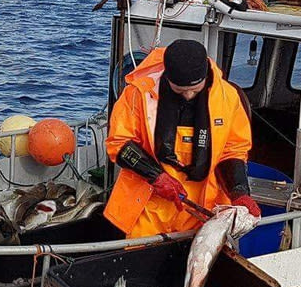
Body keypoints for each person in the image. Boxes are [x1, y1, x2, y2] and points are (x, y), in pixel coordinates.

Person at [103, 38, 261, 239]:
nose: (188, 95)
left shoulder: (228, 97)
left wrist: (240, 192)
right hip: (147, 206)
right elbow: (119, 143)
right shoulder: (138, 93)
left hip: (202, 210)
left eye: (195, 89)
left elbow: (234, 150)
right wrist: (156, 176)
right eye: (180, 89)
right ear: (167, 77)